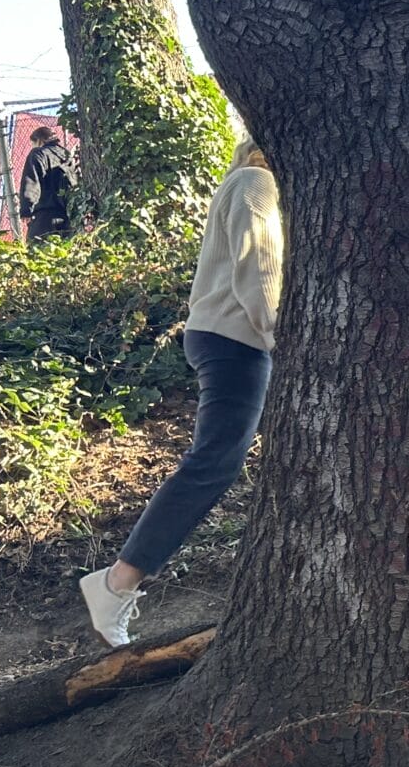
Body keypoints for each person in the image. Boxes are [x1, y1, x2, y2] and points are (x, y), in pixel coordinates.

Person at [80, 144, 283, 645]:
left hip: (230, 335)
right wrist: (285, 336)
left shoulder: (247, 181)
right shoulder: (257, 182)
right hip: (237, 337)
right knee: (213, 463)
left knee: (231, 459)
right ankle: (117, 582)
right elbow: (259, 270)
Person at [18, 125, 80, 244]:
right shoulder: (67, 155)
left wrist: (26, 209)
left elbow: (31, 179)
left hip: (44, 217)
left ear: (40, 141)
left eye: (33, 144)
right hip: (67, 217)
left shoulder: (38, 153)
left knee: (37, 255)